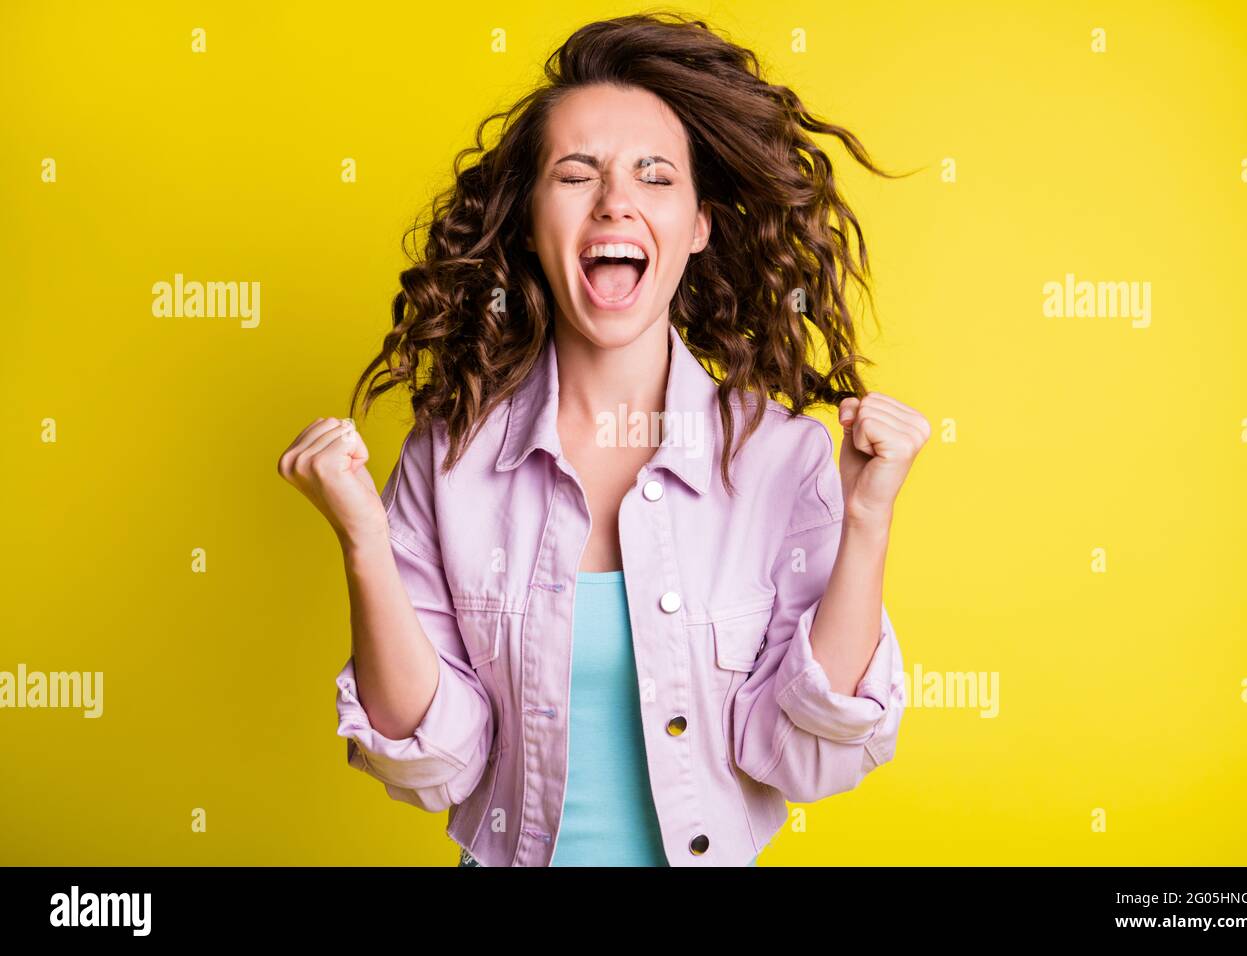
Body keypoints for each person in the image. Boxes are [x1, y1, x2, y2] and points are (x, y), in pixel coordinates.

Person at [277, 12, 930, 867]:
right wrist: (362, 542)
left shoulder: (783, 459)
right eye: (577, 174)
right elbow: (430, 760)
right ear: (527, 221)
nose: (617, 200)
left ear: (699, 224)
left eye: (655, 178)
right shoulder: (451, 460)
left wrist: (867, 523)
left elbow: (805, 751)